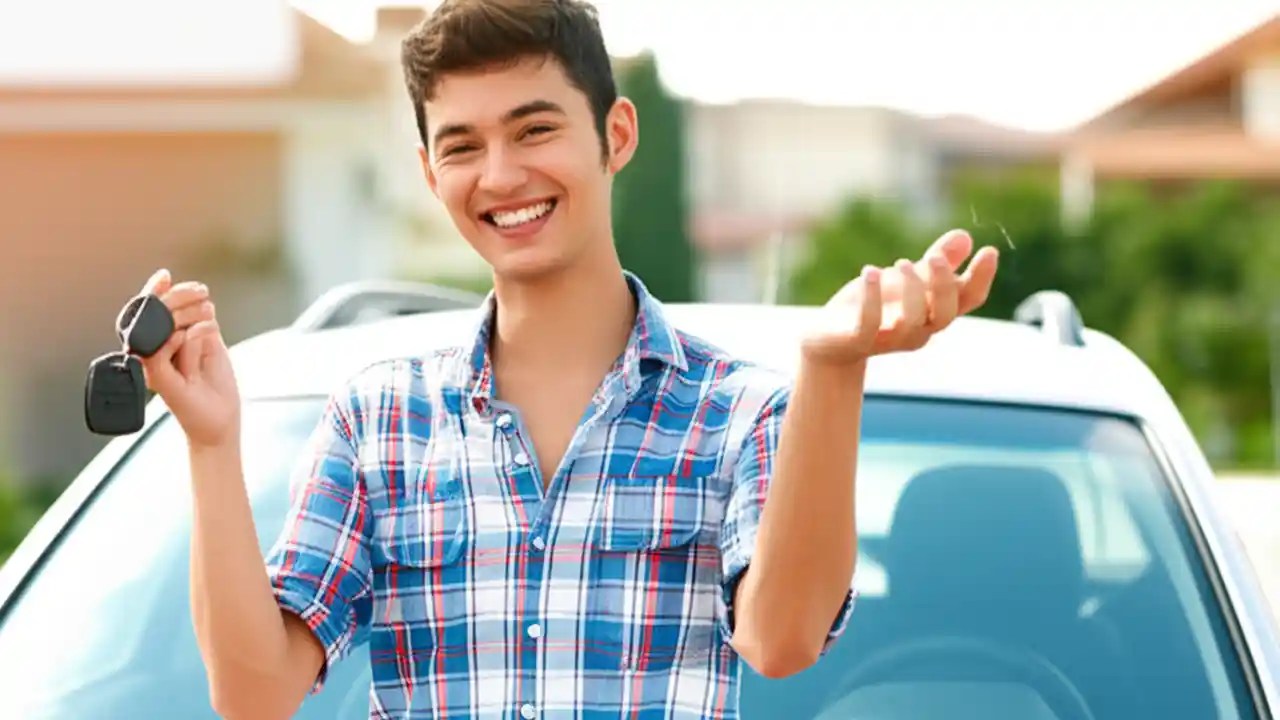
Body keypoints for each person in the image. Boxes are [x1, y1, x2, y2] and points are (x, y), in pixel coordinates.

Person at [136, 1, 999, 717]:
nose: (502, 174)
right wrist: (212, 445)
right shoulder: (376, 418)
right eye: (463, 146)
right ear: (431, 173)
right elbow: (253, 693)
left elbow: (781, 640)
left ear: (616, 135)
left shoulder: (743, 414)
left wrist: (832, 369)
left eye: (534, 129)